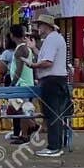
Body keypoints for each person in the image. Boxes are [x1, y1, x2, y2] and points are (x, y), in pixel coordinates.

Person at [31, 14, 70, 158]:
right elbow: (45, 56)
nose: (38, 28)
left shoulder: (52, 39)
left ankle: (54, 147)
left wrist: (33, 65)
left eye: (39, 25)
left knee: (52, 114)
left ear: (46, 26)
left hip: (52, 80)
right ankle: (55, 145)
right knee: (54, 114)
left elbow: (48, 62)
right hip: (56, 80)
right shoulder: (54, 38)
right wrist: (34, 49)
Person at [1, 25, 37, 143]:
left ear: (12, 35)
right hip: (27, 83)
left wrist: (12, 84)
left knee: (20, 109)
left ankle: (30, 128)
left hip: (22, 85)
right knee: (21, 108)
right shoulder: (26, 48)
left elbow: (19, 70)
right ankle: (28, 130)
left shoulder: (20, 49)